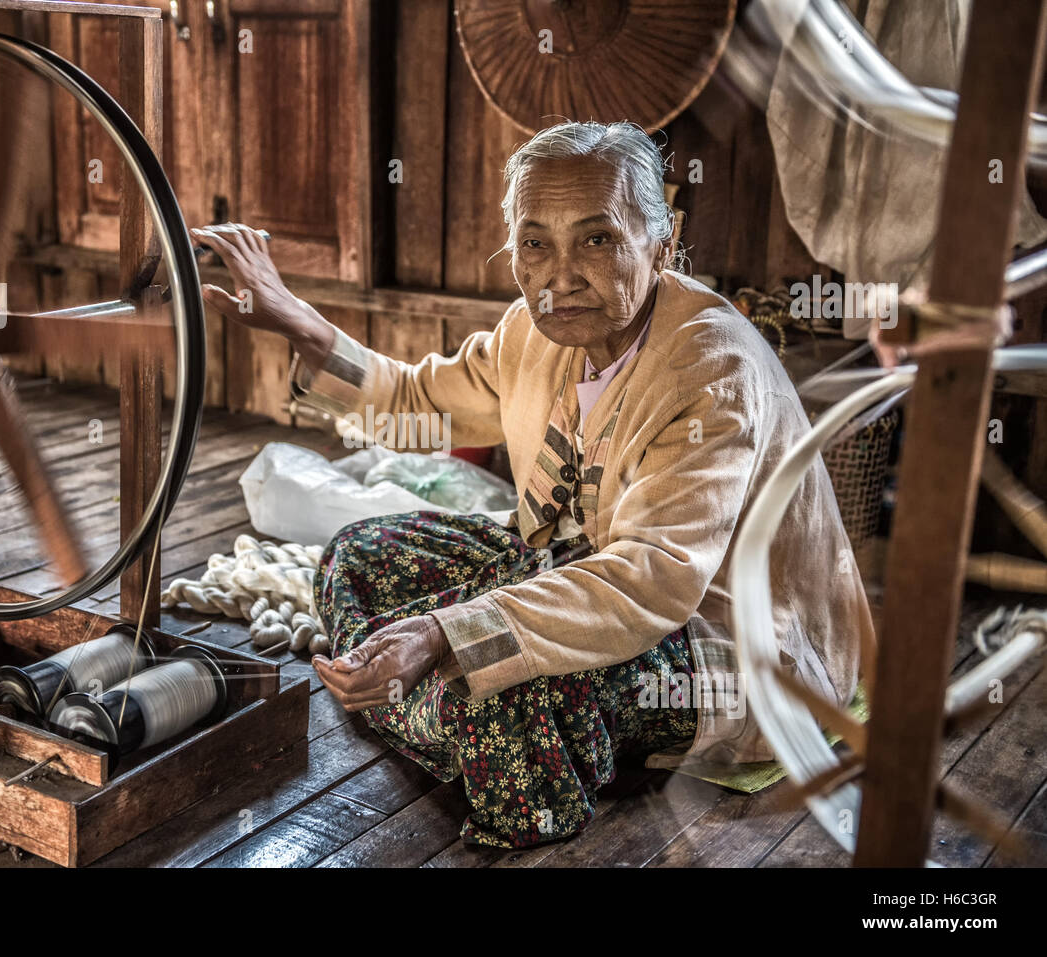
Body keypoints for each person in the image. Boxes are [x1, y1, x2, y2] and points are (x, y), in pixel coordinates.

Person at [192, 120, 872, 848]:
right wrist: (295, 317)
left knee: (495, 674)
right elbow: (416, 403)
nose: (560, 275)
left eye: (598, 238)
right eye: (534, 242)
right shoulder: (533, 331)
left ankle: (499, 754)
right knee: (359, 553)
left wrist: (444, 630)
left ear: (662, 242)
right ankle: (479, 725)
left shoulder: (710, 365)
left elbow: (651, 582)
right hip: (569, 577)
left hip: (726, 643)